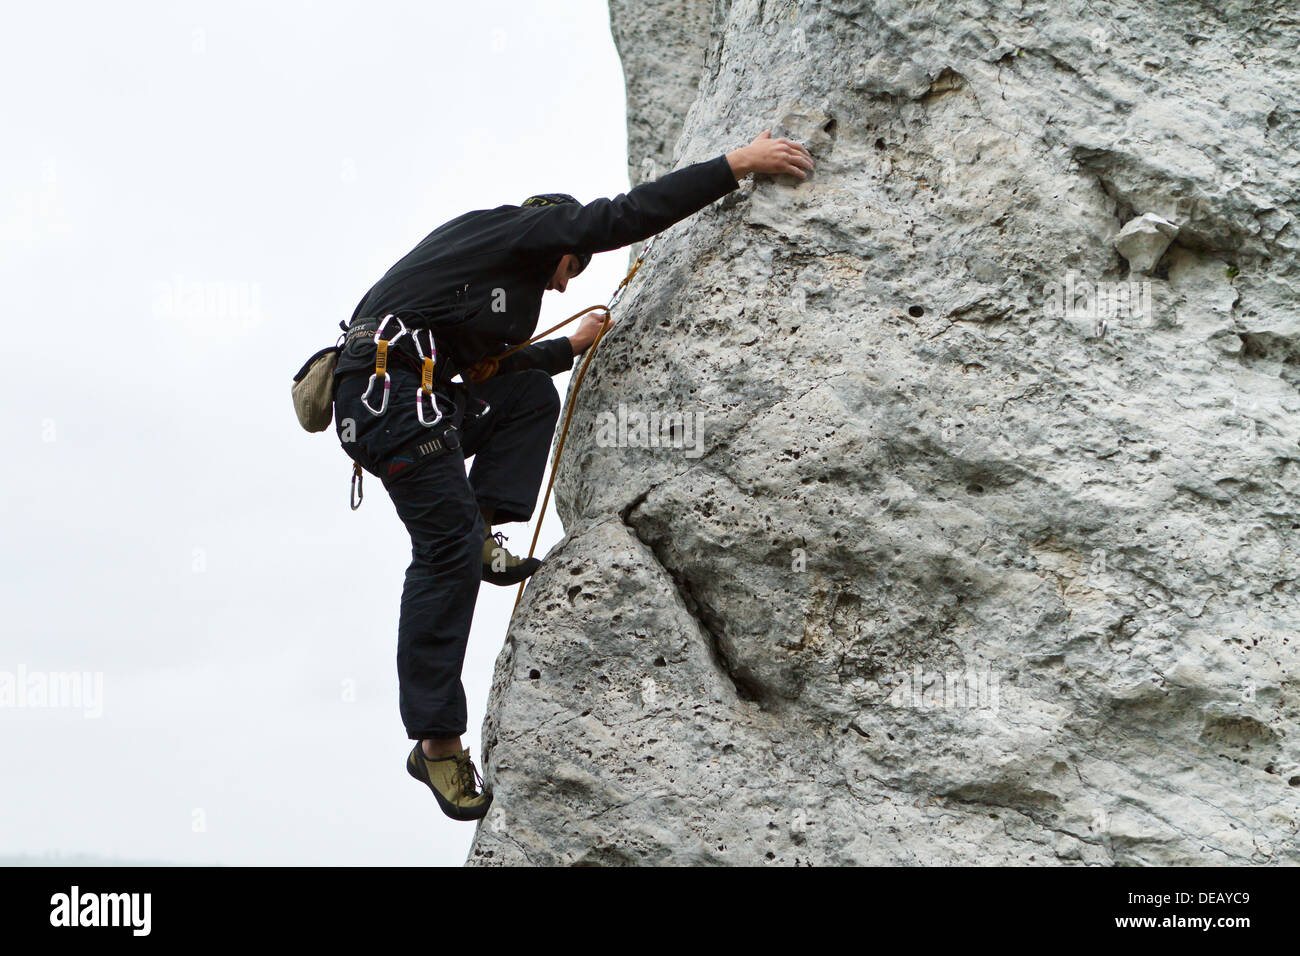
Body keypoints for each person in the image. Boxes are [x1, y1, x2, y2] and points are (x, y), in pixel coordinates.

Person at [332, 131, 814, 821]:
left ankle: (485, 532)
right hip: (393, 401)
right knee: (442, 555)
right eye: (569, 268)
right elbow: (619, 215)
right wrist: (735, 166)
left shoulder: (474, 268)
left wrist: (564, 348)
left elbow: (486, 379)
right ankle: (436, 743)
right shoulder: (523, 229)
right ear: (553, 236)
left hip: (413, 398)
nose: (563, 283)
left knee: (529, 401)